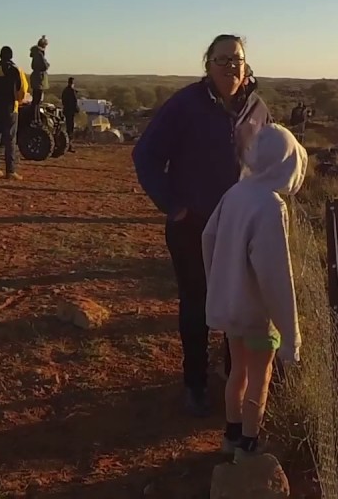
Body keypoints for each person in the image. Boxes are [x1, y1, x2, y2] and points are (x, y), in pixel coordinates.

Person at [132, 34, 272, 416]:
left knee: (238, 304)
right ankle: (194, 382)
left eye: (237, 59)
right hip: (191, 226)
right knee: (197, 304)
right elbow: (145, 155)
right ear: (207, 64)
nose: (230, 66)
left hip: (241, 229)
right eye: (221, 59)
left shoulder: (258, 109)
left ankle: (232, 376)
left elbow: (270, 160)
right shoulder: (185, 105)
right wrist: (173, 205)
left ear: (246, 64)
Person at [203, 123, 306, 460]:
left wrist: (219, 284)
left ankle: (231, 435)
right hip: (258, 318)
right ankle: (249, 443)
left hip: (233, 308)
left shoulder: (235, 193)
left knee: (238, 371)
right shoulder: (271, 207)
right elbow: (274, 276)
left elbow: (208, 237)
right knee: (260, 376)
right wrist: (290, 336)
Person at [0, 46, 30, 180]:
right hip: (10, 108)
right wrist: (18, 101)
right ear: (11, 56)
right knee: (10, 139)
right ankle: (10, 171)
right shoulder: (16, 70)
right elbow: (23, 90)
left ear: (0, 55)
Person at [29, 35, 50, 118]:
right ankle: (35, 118)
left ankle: (36, 118)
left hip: (36, 79)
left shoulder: (36, 53)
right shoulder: (39, 54)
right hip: (39, 79)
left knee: (36, 101)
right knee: (37, 101)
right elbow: (45, 66)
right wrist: (47, 64)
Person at [61, 77, 80, 151]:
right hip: (70, 112)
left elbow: (63, 100)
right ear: (73, 83)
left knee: (68, 127)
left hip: (66, 111)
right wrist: (77, 109)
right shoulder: (72, 91)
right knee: (70, 128)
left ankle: (67, 144)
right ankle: (69, 145)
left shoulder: (65, 90)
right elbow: (74, 101)